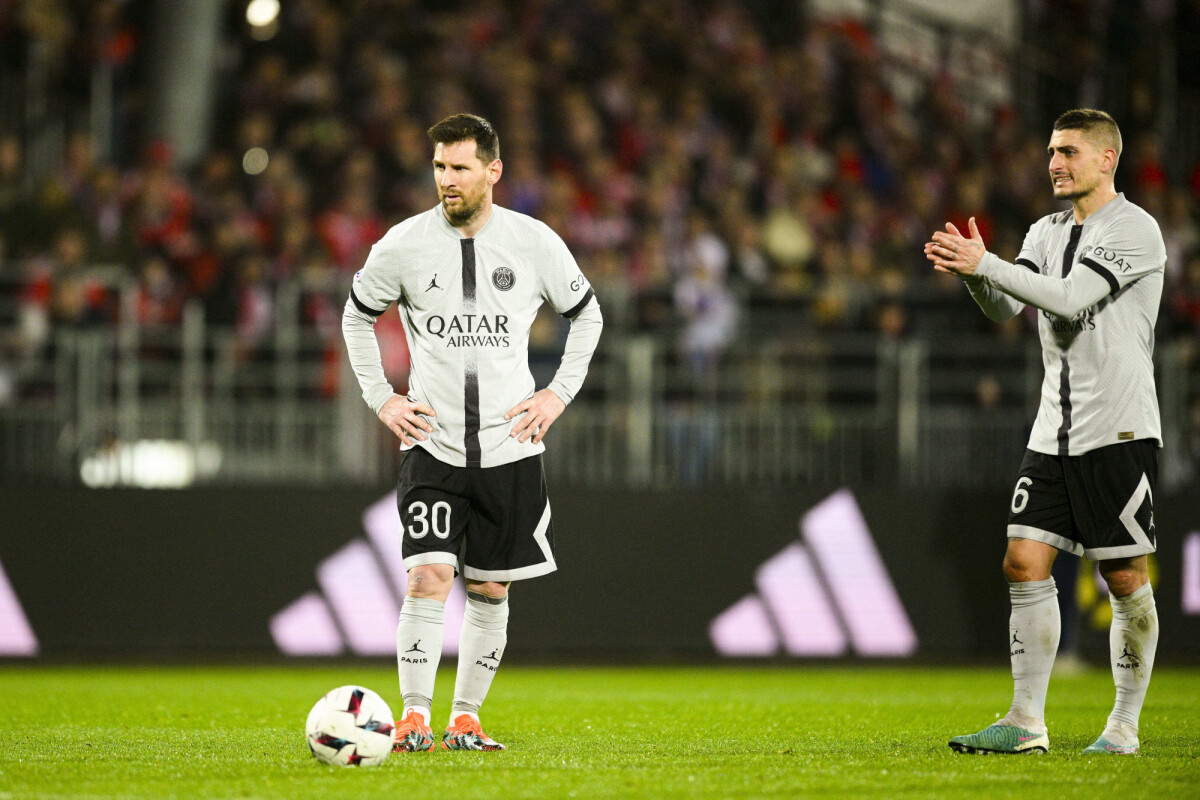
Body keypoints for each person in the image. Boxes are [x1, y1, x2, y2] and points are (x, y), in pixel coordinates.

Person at [342, 114, 602, 752]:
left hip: (511, 447)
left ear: (493, 170)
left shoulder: (533, 241)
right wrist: (382, 399)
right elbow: (356, 317)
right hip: (434, 444)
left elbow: (588, 314)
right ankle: (412, 718)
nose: (446, 180)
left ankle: (466, 718)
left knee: (488, 587)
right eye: (438, 167)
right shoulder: (401, 245)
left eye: (459, 168)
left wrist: (557, 392)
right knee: (428, 576)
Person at [924, 108, 1164, 756]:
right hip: (1052, 429)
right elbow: (1006, 305)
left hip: (1117, 429)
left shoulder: (1136, 231)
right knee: (1022, 562)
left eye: (1068, 151)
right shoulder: (1045, 230)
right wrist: (977, 273)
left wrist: (990, 262)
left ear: (1107, 158)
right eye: (1051, 152)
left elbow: (1068, 299)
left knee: (1123, 578)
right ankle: (1026, 721)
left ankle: (1123, 726)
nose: (1055, 163)